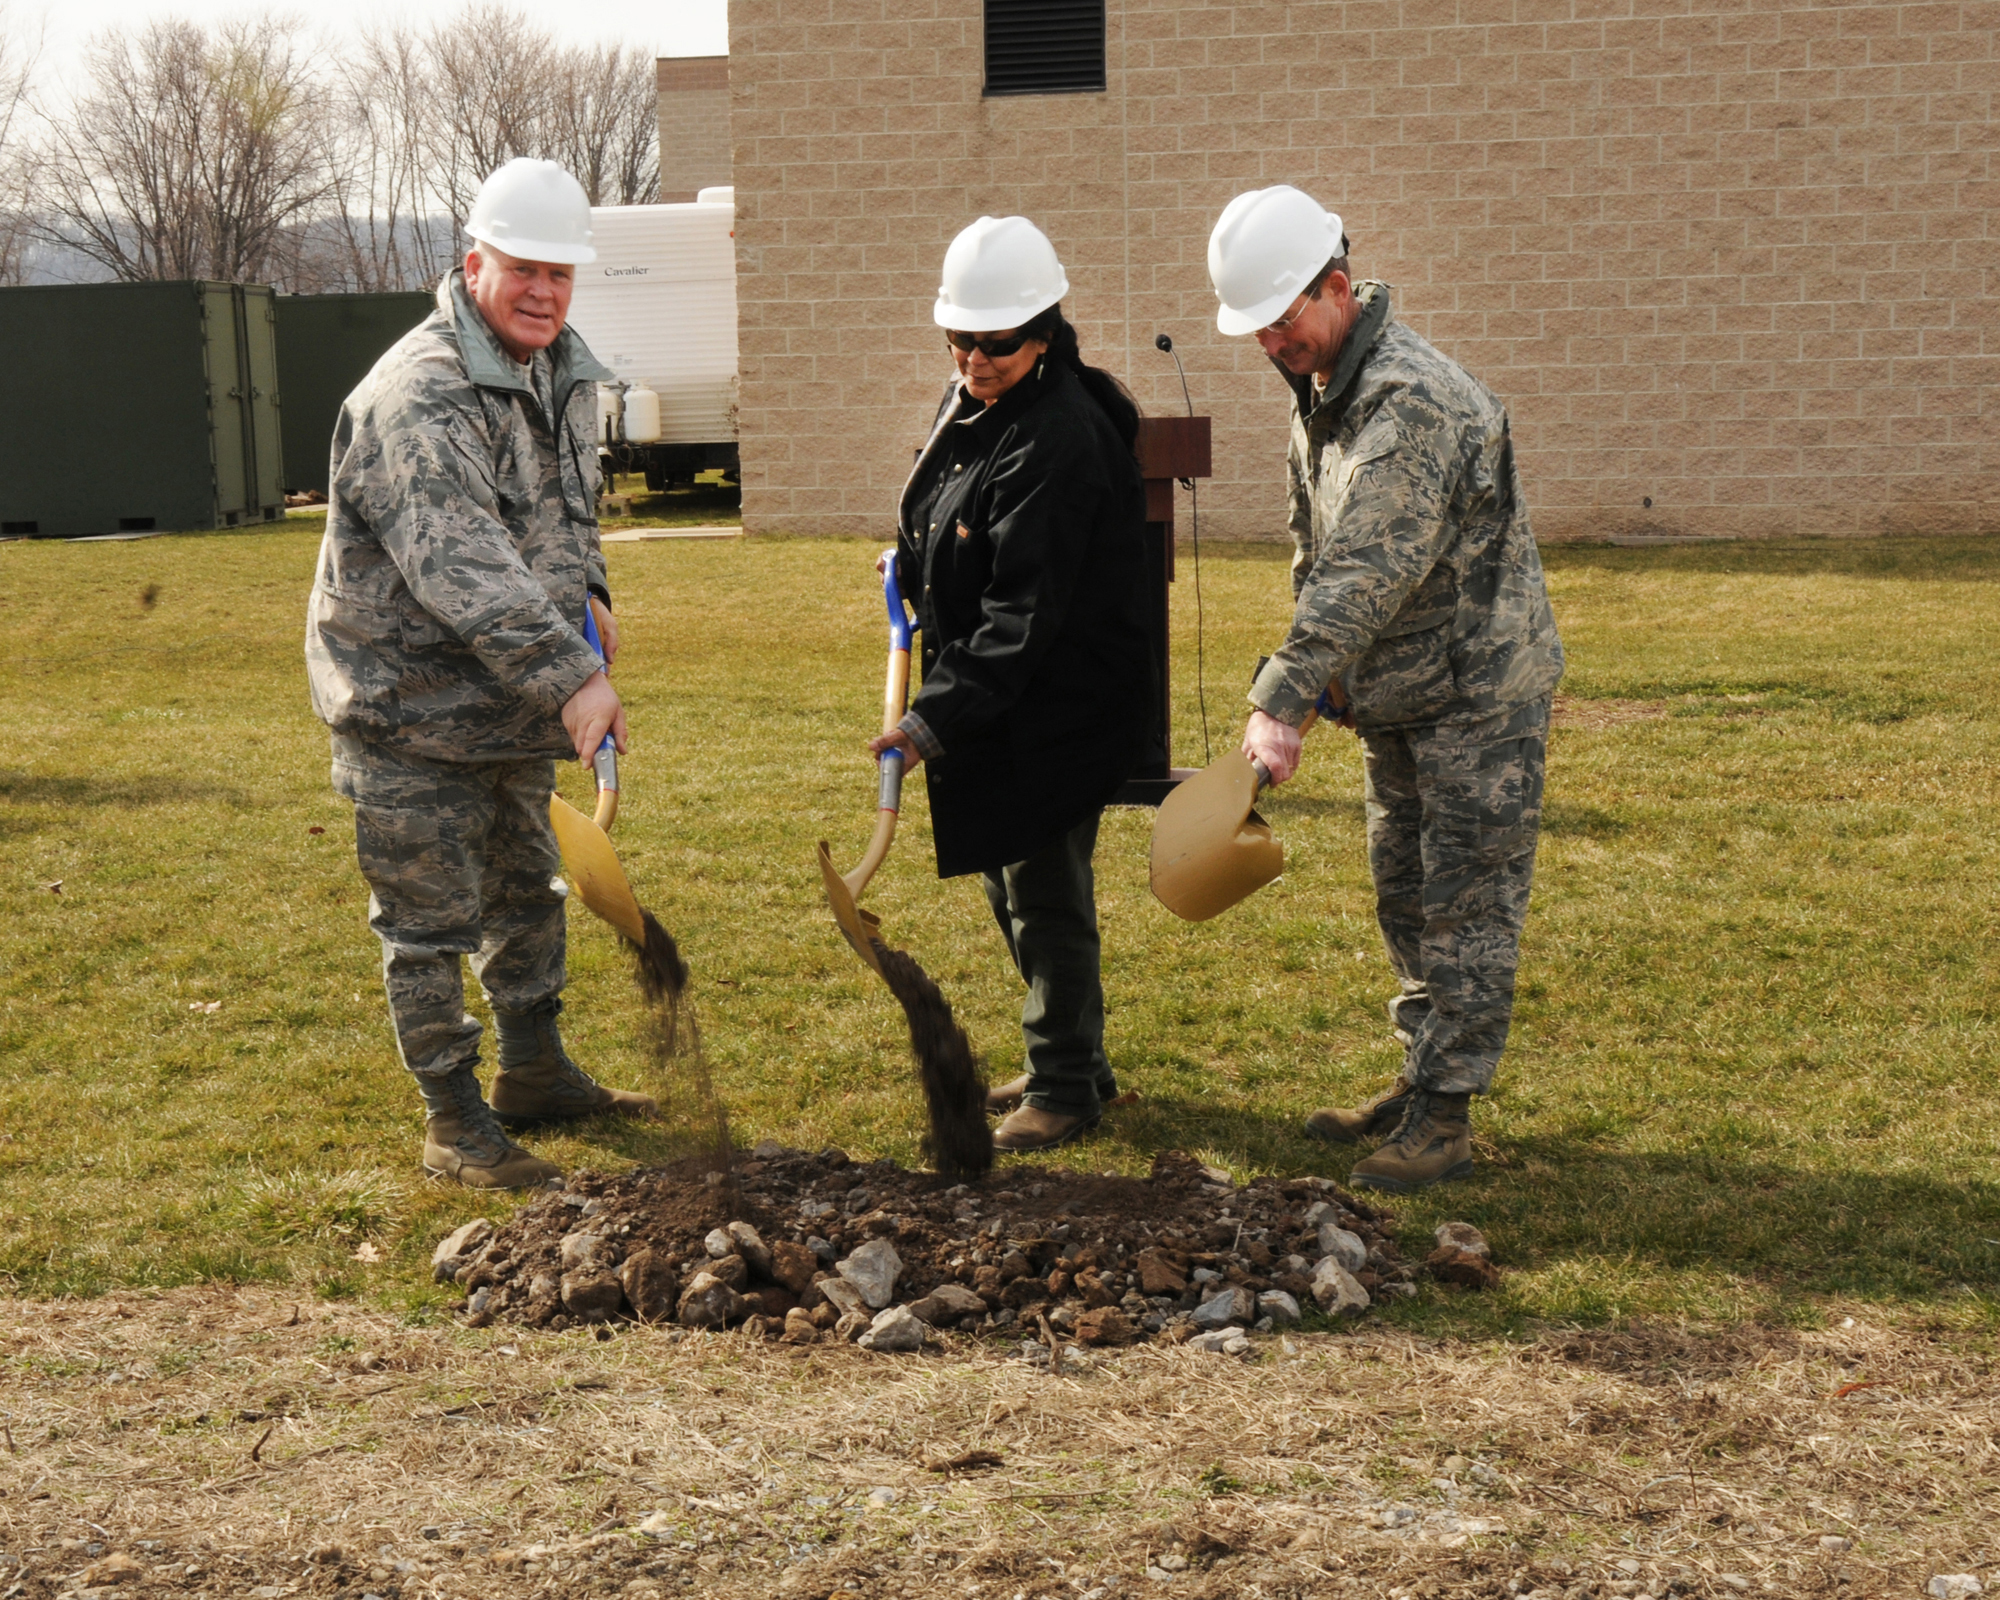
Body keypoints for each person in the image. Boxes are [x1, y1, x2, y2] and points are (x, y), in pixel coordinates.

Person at [305, 158, 656, 1190]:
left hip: (504, 704)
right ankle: (455, 1124)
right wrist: (570, 676)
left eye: (561, 272)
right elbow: (459, 561)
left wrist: (588, 589)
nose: (544, 290)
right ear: (473, 265)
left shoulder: (554, 371)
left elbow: (560, 510)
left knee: (525, 890)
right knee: (427, 921)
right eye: (523, 269)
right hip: (407, 708)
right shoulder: (418, 396)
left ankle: (534, 1071)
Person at [1207, 184, 1564, 1193]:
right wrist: (1332, 683)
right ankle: (1418, 1079)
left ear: (1335, 288)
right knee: (1402, 894)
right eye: (1255, 328)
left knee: (1464, 901)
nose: (1270, 341)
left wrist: (1279, 696)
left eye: (1282, 319)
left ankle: (1444, 1118)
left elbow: (1367, 565)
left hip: (1473, 696)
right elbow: (1312, 549)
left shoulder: (1407, 401)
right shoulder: (1324, 391)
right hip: (1397, 693)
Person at [866, 215, 1150, 1153]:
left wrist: (926, 722)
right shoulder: (986, 408)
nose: (973, 357)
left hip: (1059, 702)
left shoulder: (1060, 436)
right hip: (1004, 699)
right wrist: (911, 562)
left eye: (995, 342)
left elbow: (1024, 613)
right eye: (959, 338)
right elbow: (957, 519)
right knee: (1008, 881)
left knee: (1043, 891)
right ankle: (1075, 1057)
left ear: (1044, 331)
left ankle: (1066, 1087)